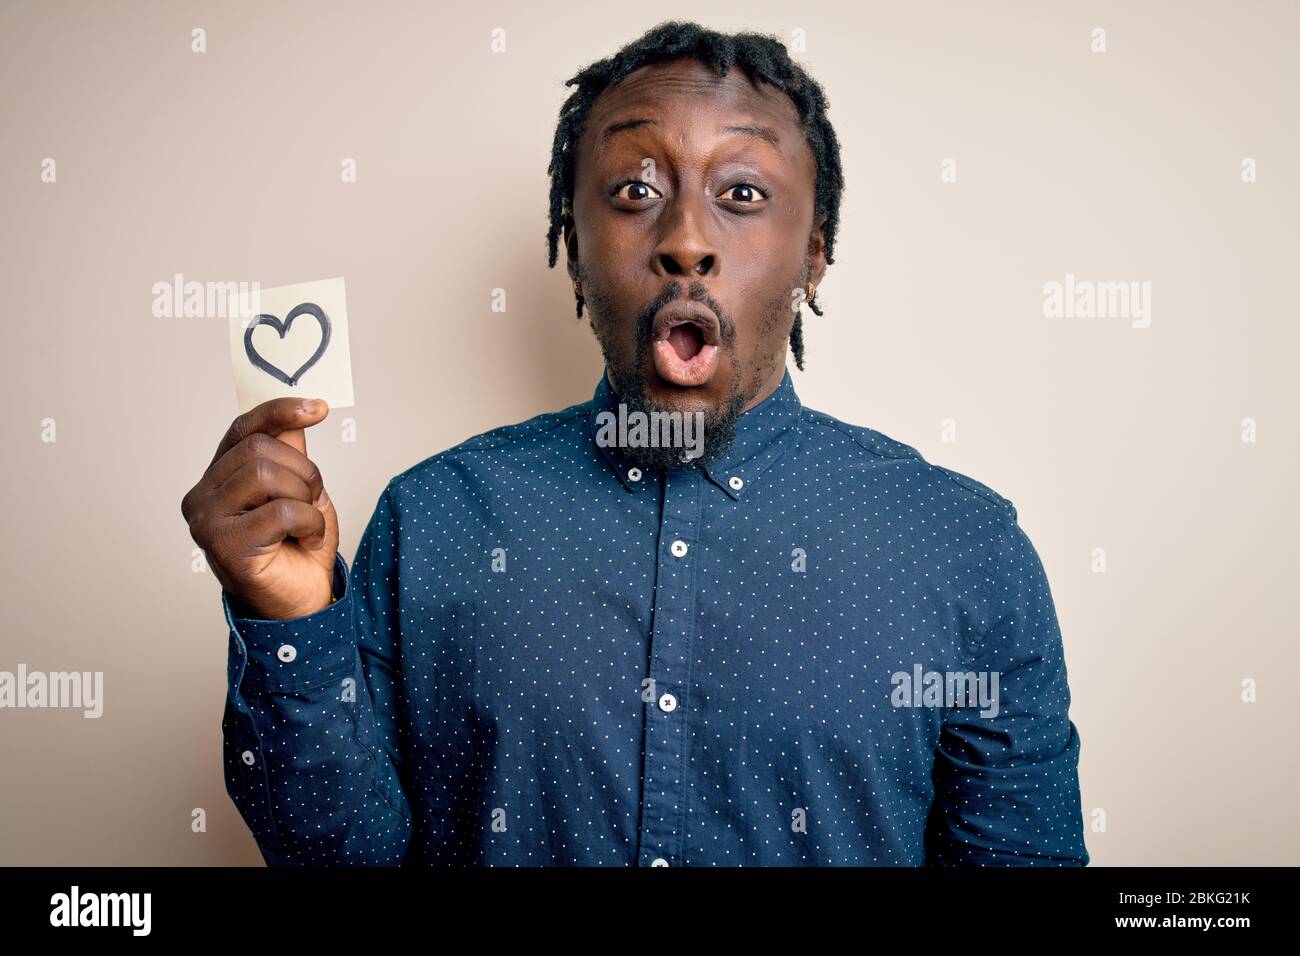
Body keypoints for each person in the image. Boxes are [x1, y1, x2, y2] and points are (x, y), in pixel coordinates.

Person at [181, 20, 1089, 866]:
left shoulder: (964, 548)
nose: (686, 239)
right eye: (634, 192)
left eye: (741, 193)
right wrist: (289, 619)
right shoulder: (432, 521)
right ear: (574, 247)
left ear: (815, 254)